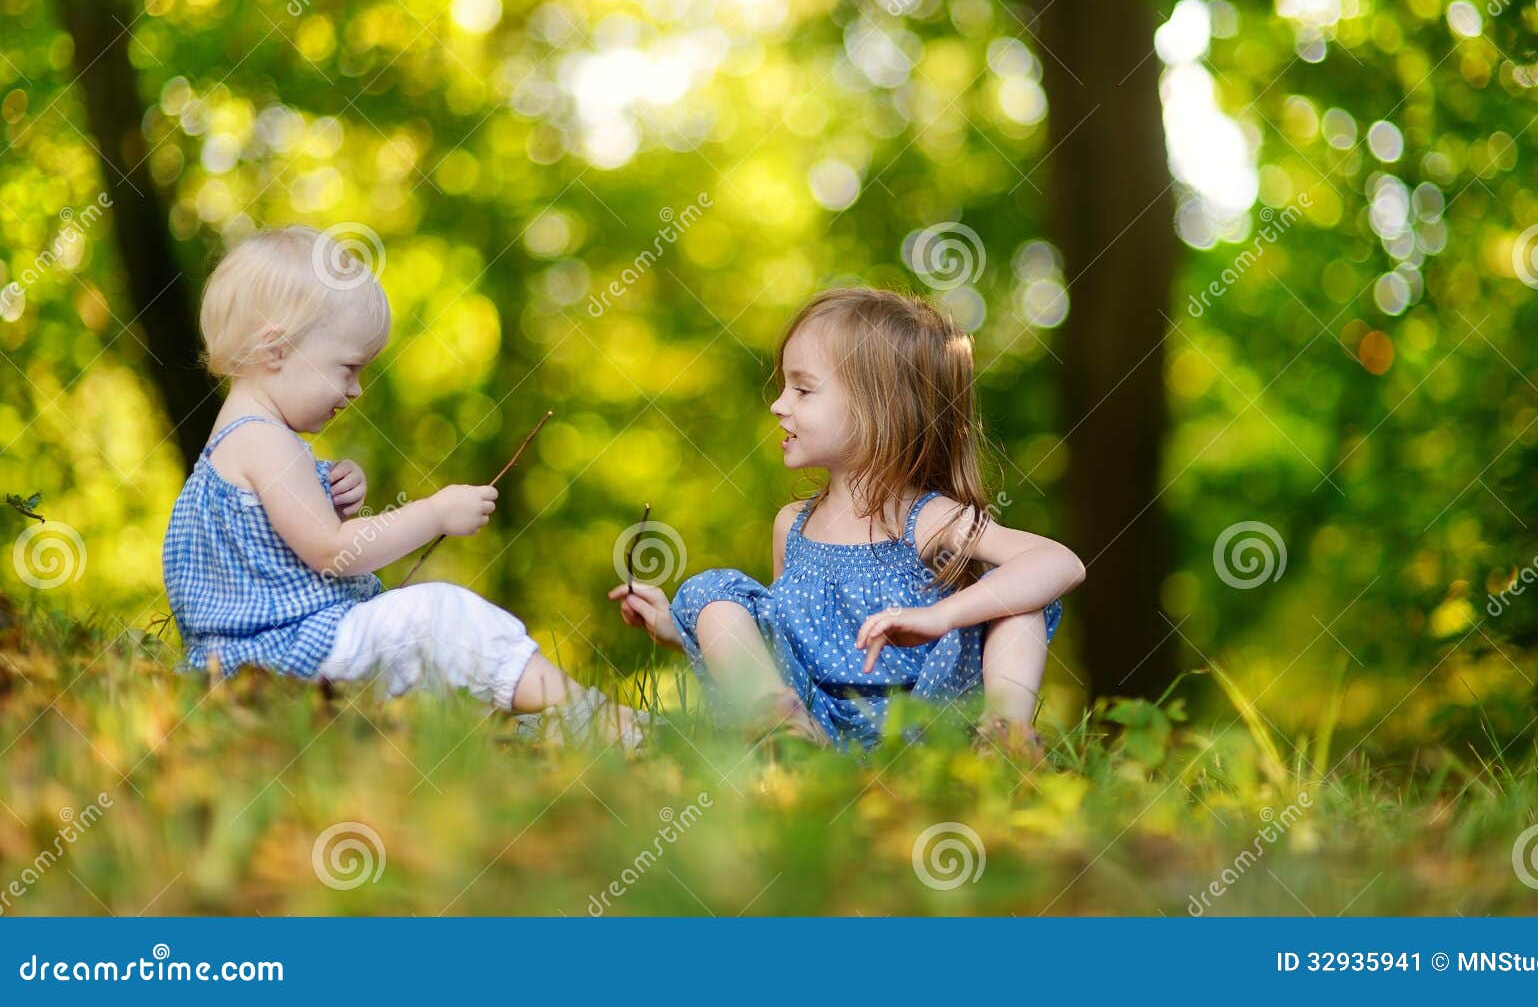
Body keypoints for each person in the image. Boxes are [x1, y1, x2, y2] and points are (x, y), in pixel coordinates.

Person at [162, 226, 647, 748]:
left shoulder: (234, 446)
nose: (355, 390)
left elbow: (277, 562)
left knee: (428, 654)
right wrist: (434, 514)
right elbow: (334, 553)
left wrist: (332, 498)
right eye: (348, 368)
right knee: (441, 617)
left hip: (254, 663)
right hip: (288, 657)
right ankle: (592, 717)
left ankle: (539, 724)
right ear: (276, 349)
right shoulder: (266, 442)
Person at [609, 285, 1084, 759]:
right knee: (711, 592)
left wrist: (939, 617)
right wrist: (676, 629)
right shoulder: (792, 526)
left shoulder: (927, 519)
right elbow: (781, 642)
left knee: (1018, 595)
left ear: (878, 407)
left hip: (922, 729)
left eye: (802, 389)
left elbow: (1060, 562)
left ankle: (1001, 740)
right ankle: (784, 737)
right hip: (818, 728)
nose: (778, 404)